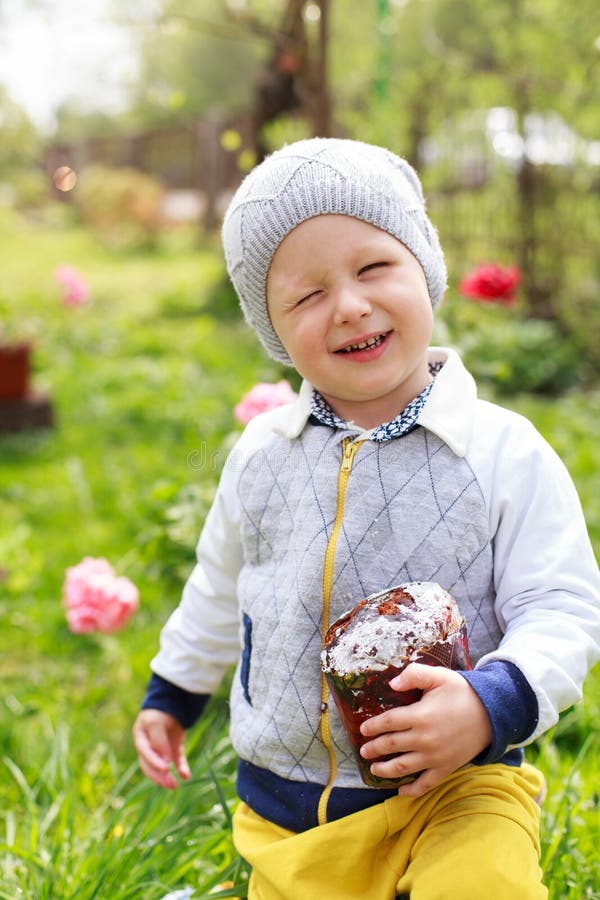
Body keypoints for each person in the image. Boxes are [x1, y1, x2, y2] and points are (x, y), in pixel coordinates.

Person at [133, 138, 600, 899]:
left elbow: (564, 604)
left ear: (426, 271)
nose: (349, 304)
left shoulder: (501, 452)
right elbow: (220, 589)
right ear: (273, 331)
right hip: (290, 817)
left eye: (375, 267)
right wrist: (173, 694)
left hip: (455, 793)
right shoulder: (262, 457)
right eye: (307, 295)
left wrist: (494, 704)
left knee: (483, 888)